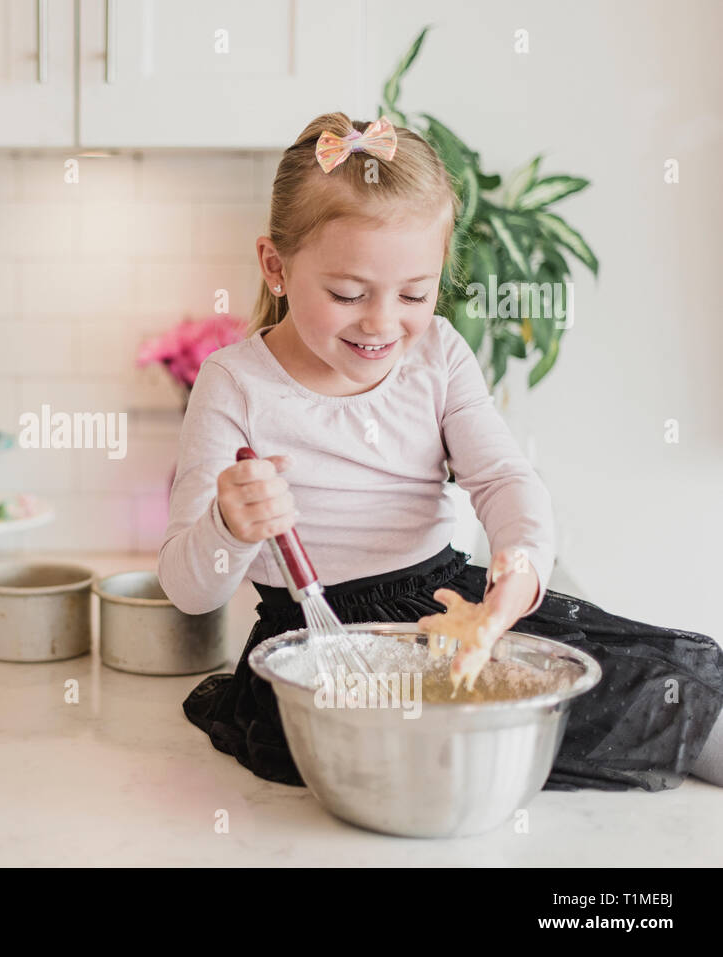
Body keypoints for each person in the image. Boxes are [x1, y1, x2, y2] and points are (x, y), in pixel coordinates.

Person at [157, 113, 723, 791]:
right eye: (347, 293)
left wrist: (513, 583)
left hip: (448, 612)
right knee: (440, 750)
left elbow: (505, 478)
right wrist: (229, 527)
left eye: (415, 293)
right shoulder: (234, 384)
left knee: (661, 686)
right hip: (321, 651)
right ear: (276, 267)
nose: (382, 322)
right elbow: (190, 591)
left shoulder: (439, 356)